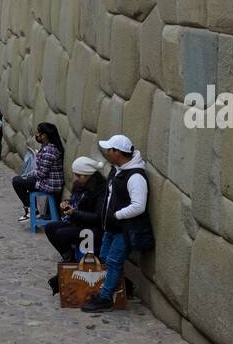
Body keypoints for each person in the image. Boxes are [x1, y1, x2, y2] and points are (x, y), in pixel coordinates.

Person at [82, 135, 154, 315]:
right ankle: (117, 288)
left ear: (117, 153)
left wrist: (117, 215)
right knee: (106, 257)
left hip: (124, 229)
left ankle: (105, 298)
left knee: (113, 262)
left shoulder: (135, 176)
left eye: (109, 150)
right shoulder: (118, 170)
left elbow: (139, 206)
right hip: (112, 227)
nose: (106, 153)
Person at [44, 156, 107, 292]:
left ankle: (71, 261)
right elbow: (75, 202)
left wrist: (74, 213)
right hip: (78, 222)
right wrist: (66, 204)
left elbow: (98, 217)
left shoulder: (100, 190)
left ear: (88, 175)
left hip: (93, 229)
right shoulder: (80, 185)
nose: (76, 178)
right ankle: (69, 257)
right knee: (50, 228)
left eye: (79, 175)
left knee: (62, 234)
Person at [11, 123, 64, 221]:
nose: (37, 135)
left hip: (50, 185)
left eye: (38, 133)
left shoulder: (49, 150)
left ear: (44, 135)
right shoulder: (48, 147)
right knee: (24, 181)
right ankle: (32, 209)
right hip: (48, 181)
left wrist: (28, 175)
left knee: (17, 181)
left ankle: (31, 209)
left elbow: (41, 173)